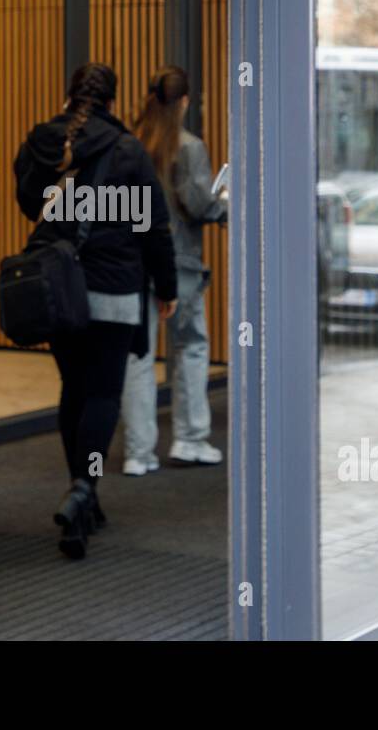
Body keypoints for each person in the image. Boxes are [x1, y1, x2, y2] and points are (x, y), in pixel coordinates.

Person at [13, 63, 178, 559]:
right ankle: (85, 486)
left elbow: (26, 202)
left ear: (68, 95)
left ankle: (84, 493)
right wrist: (167, 287)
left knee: (74, 390)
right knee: (105, 393)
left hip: (58, 287)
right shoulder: (128, 151)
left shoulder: (43, 141)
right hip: (114, 288)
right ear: (112, 100)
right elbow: (153, 228)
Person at [120, 66, 227, 476]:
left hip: (134, 264)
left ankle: (138, 453)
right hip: (179, 263)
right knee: (190, 346)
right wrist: (225, 203)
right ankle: (190, 439)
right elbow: (201, 205)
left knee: (138, 356)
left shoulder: (130, 145)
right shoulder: (189, 147)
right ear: (184, 102)